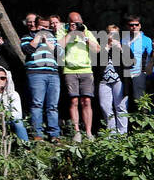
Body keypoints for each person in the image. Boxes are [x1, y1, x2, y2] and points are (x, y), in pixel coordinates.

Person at [60, 11, 98, 141]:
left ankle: (88, 132)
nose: (76, 24)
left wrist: (84, 36)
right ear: (68, 22)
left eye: (78, 22)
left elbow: (97, 49)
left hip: (86, 70)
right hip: (70, 70)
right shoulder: (63, 30)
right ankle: (77, 132)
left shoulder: (86, 31)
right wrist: (70, 33)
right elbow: (59, 46)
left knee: (87, 101)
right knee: (74, 101)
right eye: (73, 22)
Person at [21, 18, 61, 142]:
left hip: (53, 73)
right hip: (35, 73)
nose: (44, 29)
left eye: (47, 27)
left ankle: (54, 134)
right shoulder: (27, 37)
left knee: (53, 105)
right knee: (37, 104)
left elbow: (59, 53)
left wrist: (47, 41)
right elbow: (27, 50)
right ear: (36, 26)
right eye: (42, 27)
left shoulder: (53, 38)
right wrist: (38, 37)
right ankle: (37, 133)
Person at [97, 22, 128, 134]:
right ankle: (111, 134)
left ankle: (122, 134)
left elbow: (131, 62)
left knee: (120, 107)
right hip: (104, 81)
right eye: (110, 34)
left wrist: (120, 49)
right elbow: (97, 64)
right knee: (105, 107)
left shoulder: (123, 47)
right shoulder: (101, 47)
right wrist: (107, 47)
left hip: (118, 81)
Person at [124, 14, 154, 111]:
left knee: (140, 100)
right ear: (127, 26)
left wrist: (150, 73)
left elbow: (151, 57)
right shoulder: (124, 39)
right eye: (131, 25)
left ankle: (144, 123)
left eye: (136, 25)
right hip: (126, 74)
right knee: (127, 100)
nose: (134, 27)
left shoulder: (146, 40)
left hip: (140, 73)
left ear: (140, 25)